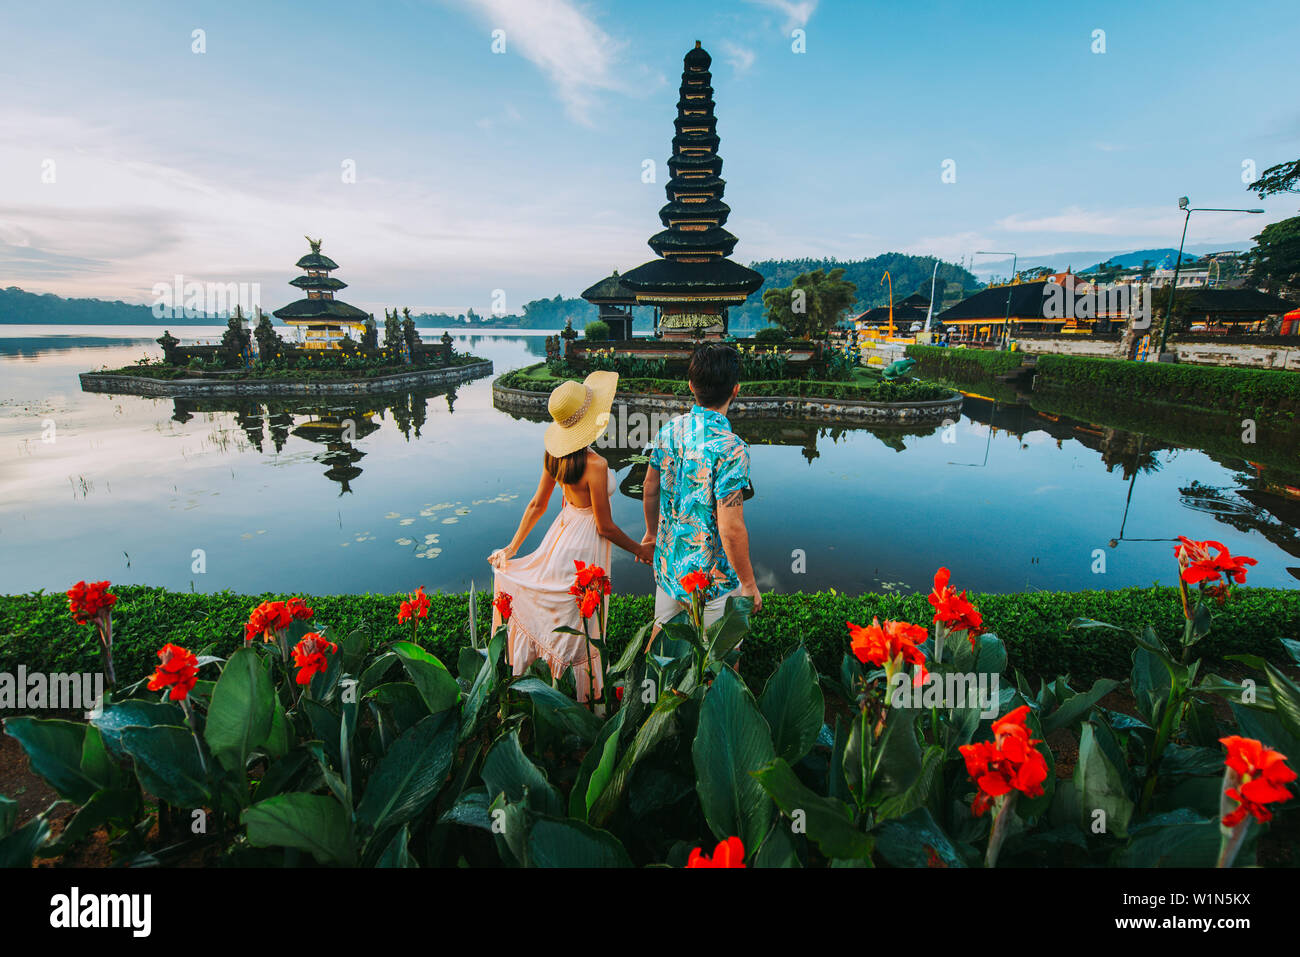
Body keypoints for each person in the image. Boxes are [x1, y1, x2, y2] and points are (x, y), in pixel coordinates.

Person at [488, 371, 652, 703]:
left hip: (561, 535)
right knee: (583, 617)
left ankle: (552, 687)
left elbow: (537, 505)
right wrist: (640, 549)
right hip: (587, 542)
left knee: (566, 606)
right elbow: (604, 526)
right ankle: (586, 701)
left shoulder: (554, 456)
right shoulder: (597, 464)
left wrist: (513, 547)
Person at [641, 343, 761, 641]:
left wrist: (650, 533)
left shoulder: (668, 430)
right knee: (722, 658)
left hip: (670, 564)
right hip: (712, 578)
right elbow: (730, 525)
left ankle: (643, 688)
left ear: (691, 385)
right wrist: (748, 584)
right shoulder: (730, 448)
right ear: (736, 390)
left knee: (661, 645)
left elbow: (650, 488)